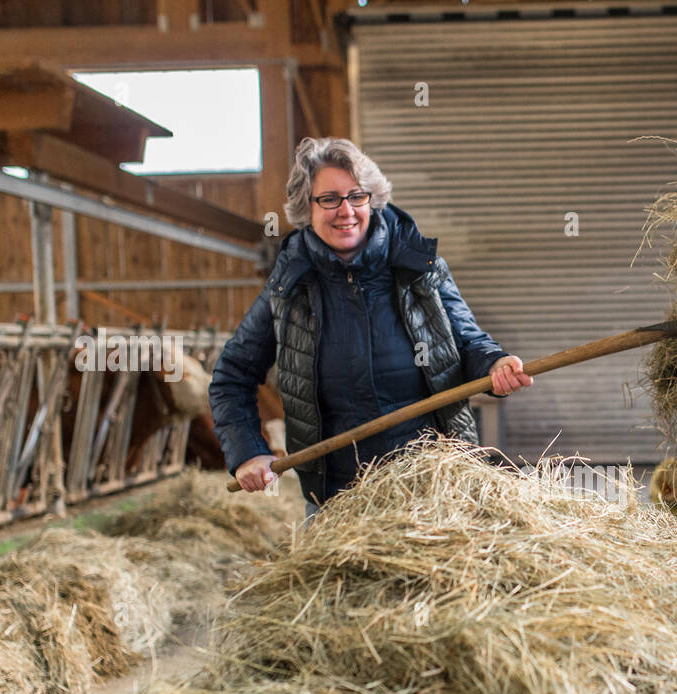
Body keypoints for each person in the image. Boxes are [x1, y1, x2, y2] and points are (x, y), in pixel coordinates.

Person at [209, 136, 532, 517]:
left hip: (433, 489)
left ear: (371, 200)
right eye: (329, 199)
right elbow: (232, 376)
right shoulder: (289, 286)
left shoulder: (417, 267)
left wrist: (494, 364)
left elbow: (467, 341)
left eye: (356, 196)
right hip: (337, 499)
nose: (345, 210)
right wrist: (249, 452)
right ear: (306, 208)